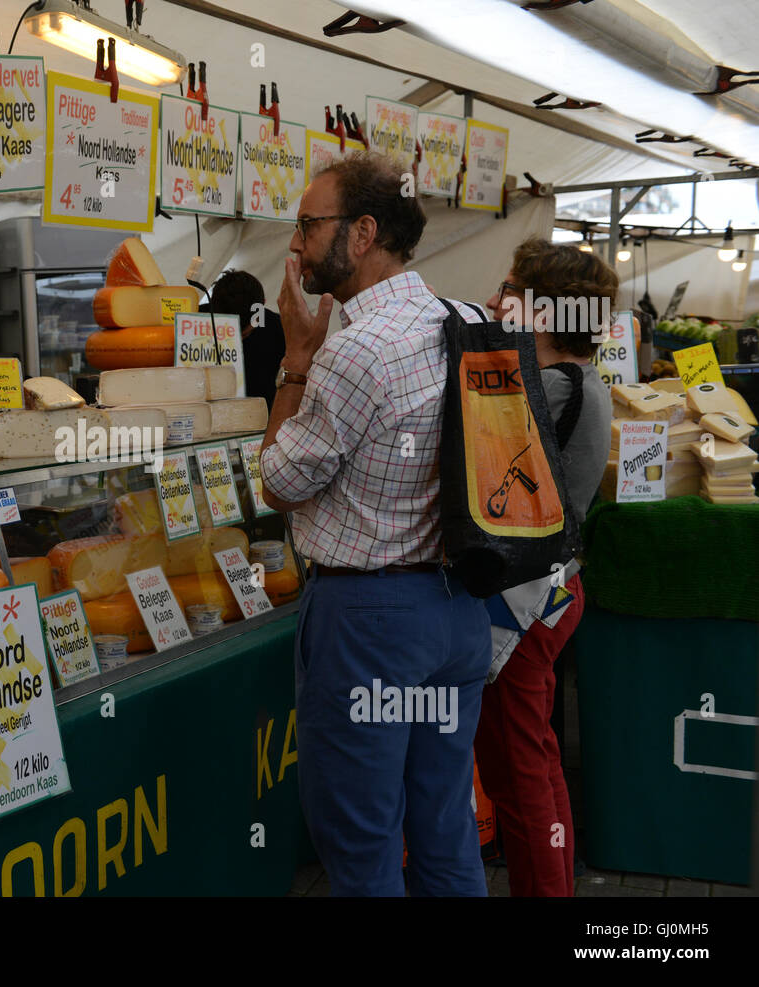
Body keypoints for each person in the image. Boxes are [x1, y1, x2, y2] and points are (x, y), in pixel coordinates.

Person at [259, 151, 492, 896]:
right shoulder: (466, 316)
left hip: (369, 622)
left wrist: (295, 363)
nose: (294, 245)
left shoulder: (352, 350)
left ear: (362, 233)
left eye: (305, 225)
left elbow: (280, 482)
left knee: (360, 846)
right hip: (458, 609)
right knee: (446, 825)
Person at [474, 238, 616, 897]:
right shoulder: (579, 381)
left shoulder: (554, 386)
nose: (501, 301)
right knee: (537, 759)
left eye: (513, 290)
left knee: (517, 770)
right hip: (558, 588)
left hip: (530, 595)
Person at [202, 270, 285, 408]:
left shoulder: (280, 329)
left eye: (244, 335)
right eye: (228, 332)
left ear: (261, 308)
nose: (237, 340)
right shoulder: (194, 320)